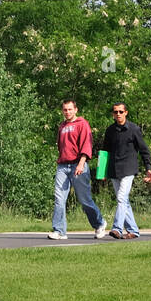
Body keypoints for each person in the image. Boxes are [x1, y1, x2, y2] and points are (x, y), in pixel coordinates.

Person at [49, 98, 107, 240]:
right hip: (63, 165)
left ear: (76, 110)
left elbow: (86, 145)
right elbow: (60, 146)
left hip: (78, 164)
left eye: (70, 109)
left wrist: (81, 163)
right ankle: (59, 230)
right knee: (59, 198)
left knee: (84, 199)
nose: (67, 112)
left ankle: (99, 223)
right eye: (65, 109)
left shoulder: (82, 124)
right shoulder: (62, 126)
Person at [100, 102, 151, 239]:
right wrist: (102, 171)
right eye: (115, 112)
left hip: (128, 169)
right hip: (113, 170)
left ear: (126, 113)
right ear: (113, 114)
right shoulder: (110, 130)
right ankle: (134, 230)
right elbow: (105, 151)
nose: (118, 114)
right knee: (123, 201)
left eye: (120, 112)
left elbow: (144, 150)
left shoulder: (134, 129)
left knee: (121, 198)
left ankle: (117, 228)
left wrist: (148, 168)